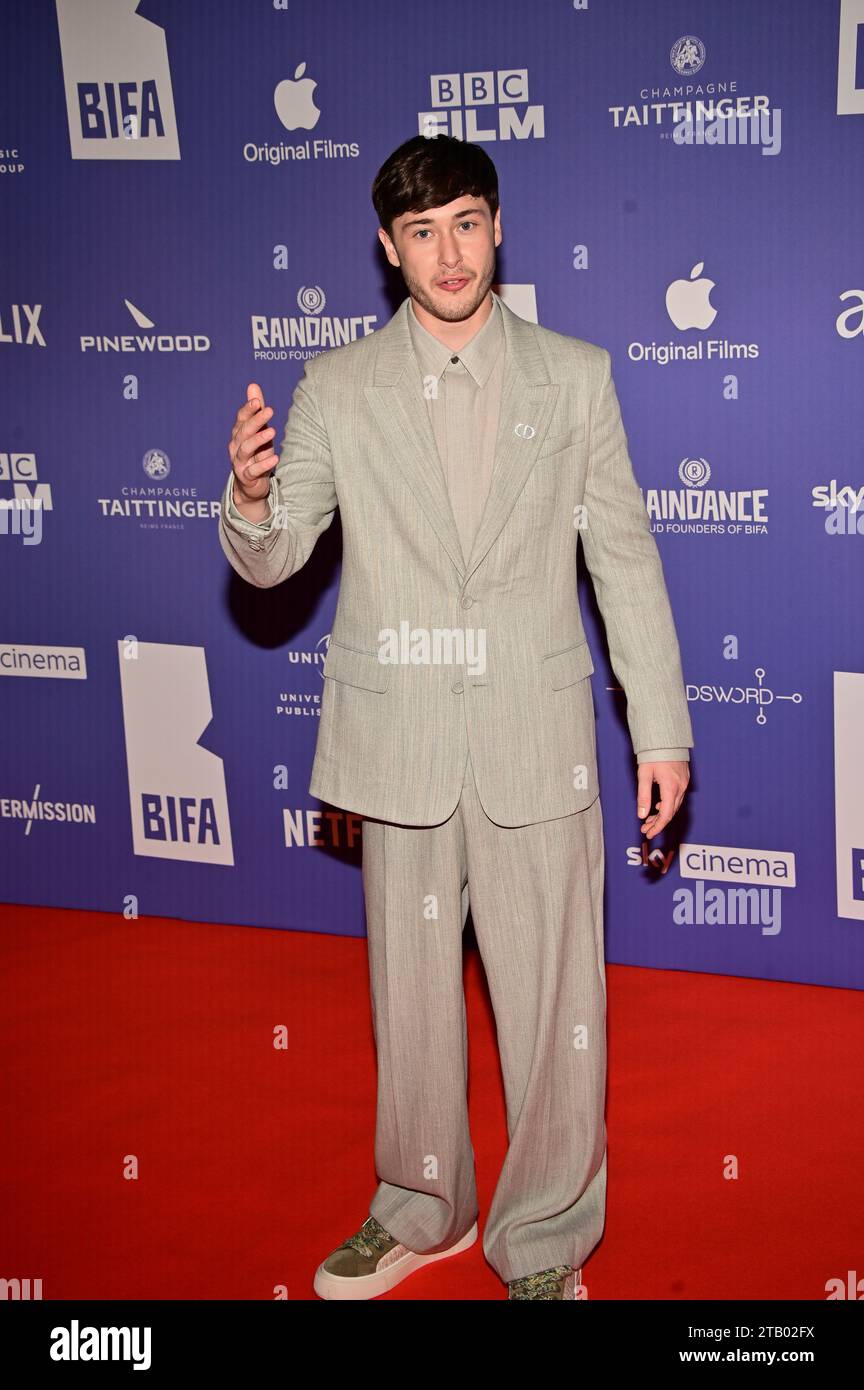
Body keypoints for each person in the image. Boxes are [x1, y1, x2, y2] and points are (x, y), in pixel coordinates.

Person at [219, 133, 692, 1300]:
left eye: (467, 222)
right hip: (404, 747)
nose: (448, 251)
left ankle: (542, 1241)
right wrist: (246, 495)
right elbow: (277, 560)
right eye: (420, 231)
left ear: (498, 228)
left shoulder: (576, 376)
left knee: (555, 1010)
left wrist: (663, 728)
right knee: (414, 1006)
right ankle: (422, 1206)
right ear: (388, 248)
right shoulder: (336, 386)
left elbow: (624, 558)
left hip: (535, 741)